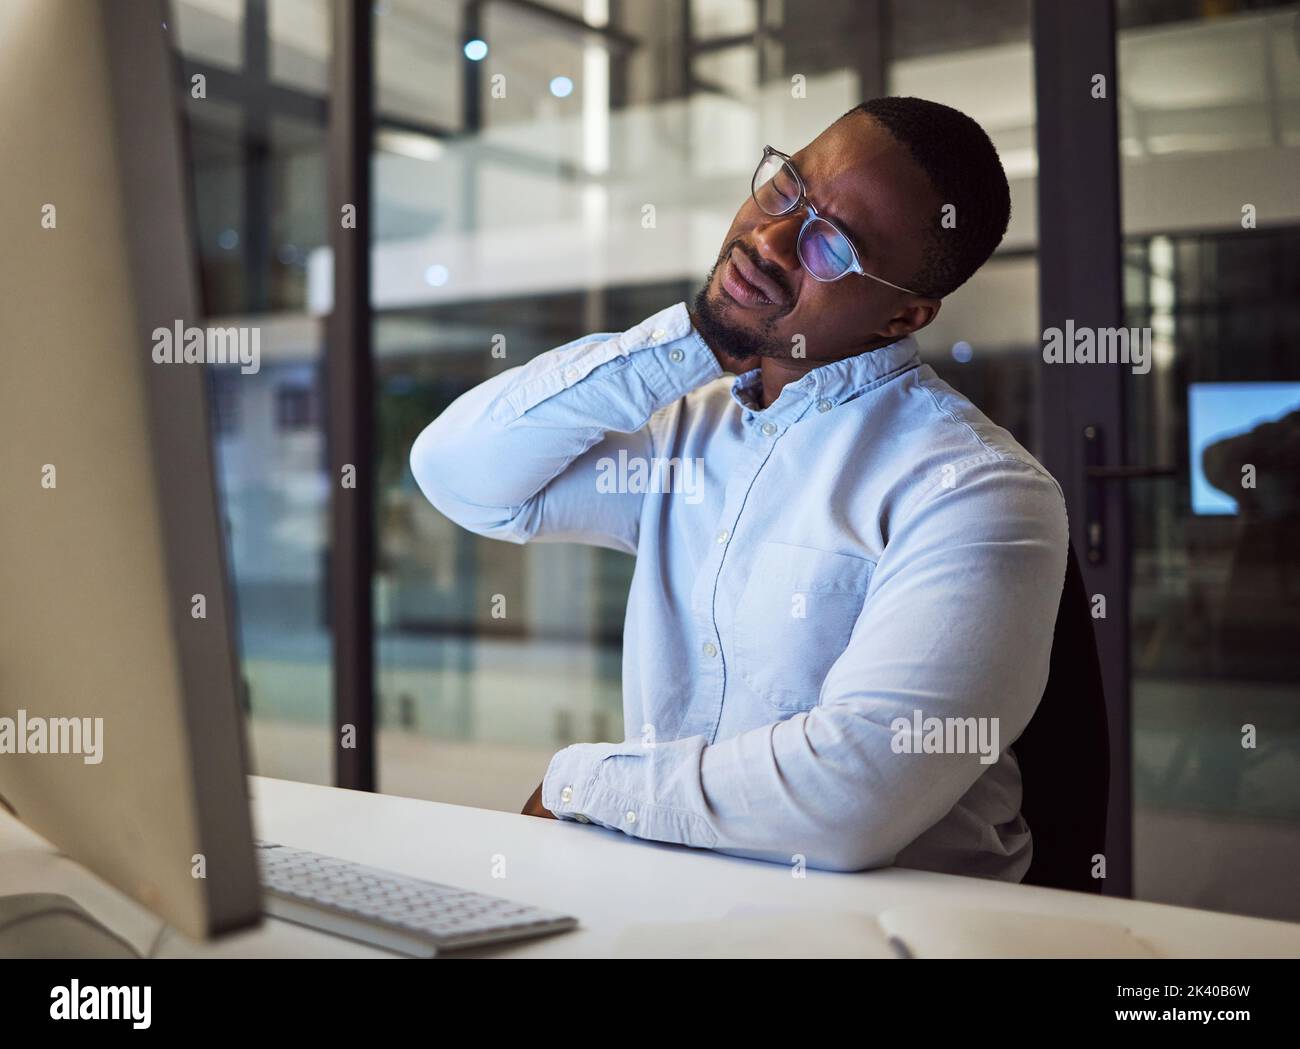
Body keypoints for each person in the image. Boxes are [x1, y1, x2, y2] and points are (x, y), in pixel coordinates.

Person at [410, 97, 1067, 879]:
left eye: (834, 247)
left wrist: (580, 785)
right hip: (680, 895)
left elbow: (852, 801)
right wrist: (695, 343)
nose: (769, 237)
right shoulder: (688, 432)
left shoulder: (979, 490)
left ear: (904, 317)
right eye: (788, 186)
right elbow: (461, 473)